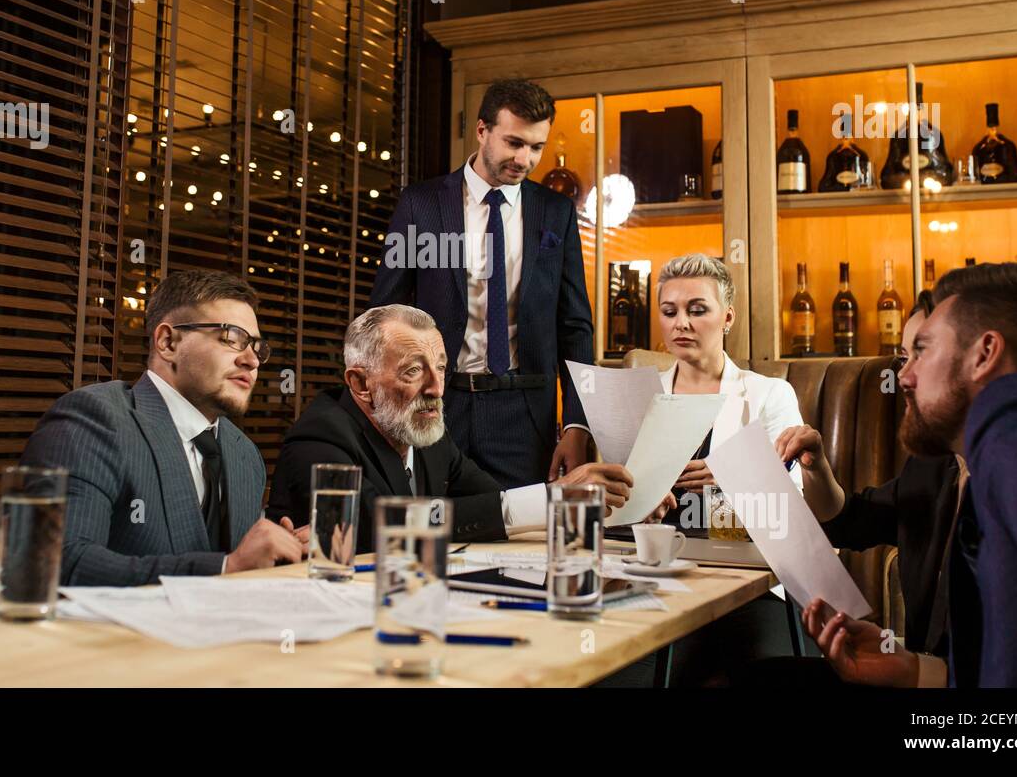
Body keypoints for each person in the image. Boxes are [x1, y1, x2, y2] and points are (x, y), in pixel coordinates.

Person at [802, 262, 1017, 687]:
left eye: (921, 350)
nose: (903, 376)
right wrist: (916, 670)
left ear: (985, 354)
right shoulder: (1003, 455)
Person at [368, 79, 595, 488]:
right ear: (481, 131)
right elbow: (386, 315)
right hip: (435, 404)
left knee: (522, 542)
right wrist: (383, 409)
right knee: (433, 537)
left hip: (525, 415)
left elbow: (575, 326)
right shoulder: (422, 204)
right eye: (513, 143)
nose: (525, 159)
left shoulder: (556, 212)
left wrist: (578, 423)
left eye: (536, 147)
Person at [267, 305, 639, 552]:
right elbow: (385, 526)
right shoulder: (319, 437)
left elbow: (489, 506)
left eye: (441, 368)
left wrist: (611, 506)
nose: (437, 388)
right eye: (414, 370)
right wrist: (552, 496)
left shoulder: (428, 435)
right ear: (361, 384)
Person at [22, 271, 307, 586]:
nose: (252, 360)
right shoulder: (94, 420)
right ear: (168, 342)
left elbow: (242, 569)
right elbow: (56, 562)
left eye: (256, 346)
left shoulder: (245, 454)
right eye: (232, 337)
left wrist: (285, 552)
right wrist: (226, 566)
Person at [647, 253, 806, 687]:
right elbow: (621, 513)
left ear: (727, 317)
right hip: (656, 580)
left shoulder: (770, 395)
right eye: (670, 311)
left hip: (745, 581)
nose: (682, 322)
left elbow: (791, 515)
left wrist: (735, 476)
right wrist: (639, 503)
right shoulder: (642, 396)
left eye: (697, 310)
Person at [776, 291, 961, 661]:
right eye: (904, 358)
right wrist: (816, 467)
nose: (903, 376)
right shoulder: (933, 466)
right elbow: (847, 522)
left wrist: (909, 668)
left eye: (922, 354)